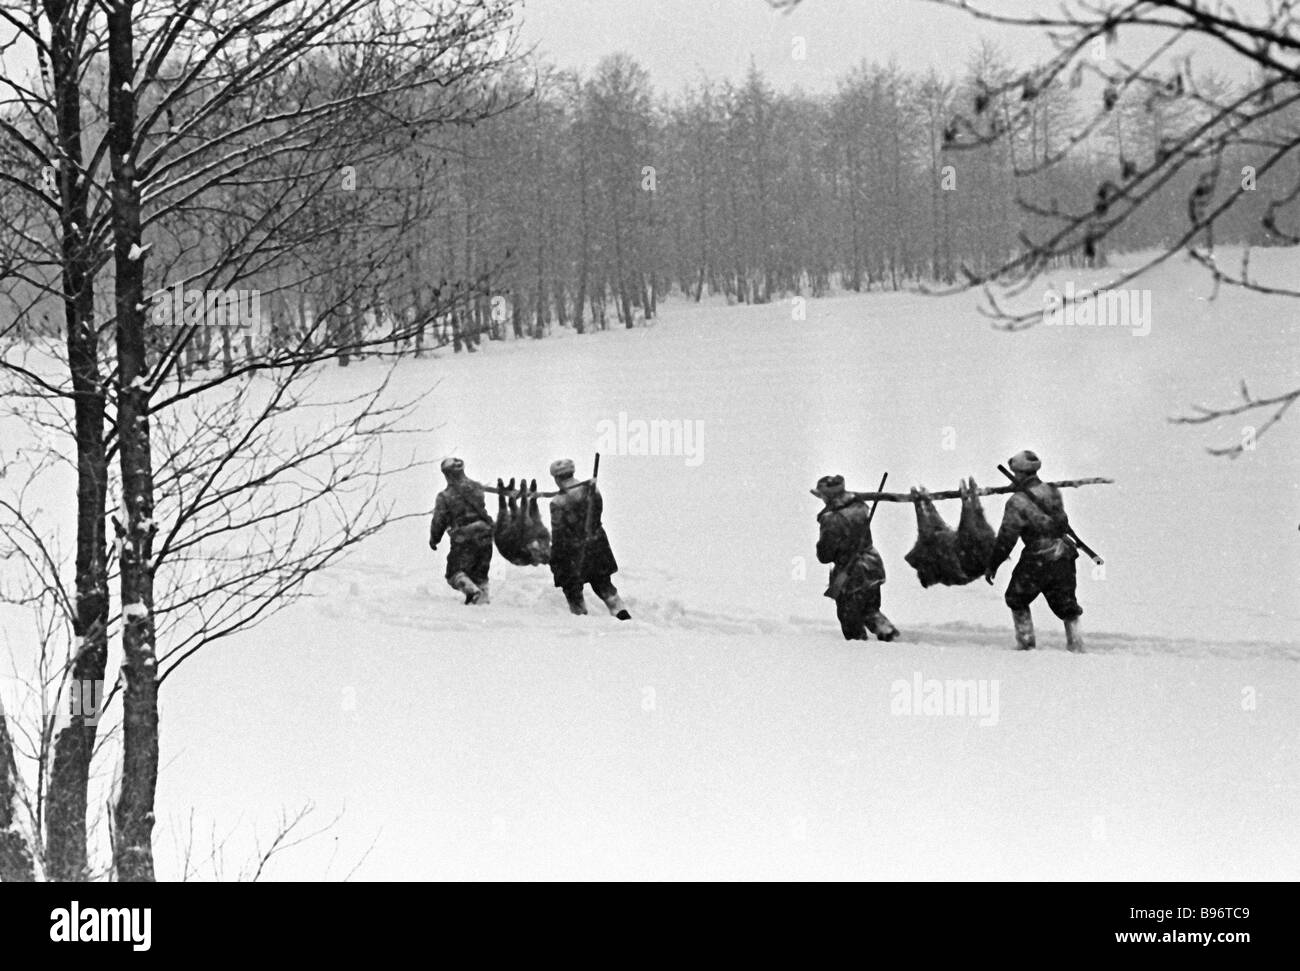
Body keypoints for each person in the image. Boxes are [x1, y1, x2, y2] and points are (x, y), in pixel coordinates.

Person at [984, 450, 1084, 652]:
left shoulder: (1017, 502)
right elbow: (1062, 522)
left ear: (1019, 474)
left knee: (1016, 597)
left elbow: (1007, 537)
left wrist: (993, 563)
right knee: (1067, 605)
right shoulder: (1053, 491)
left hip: (1038, 557)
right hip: (1063, 554)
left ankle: (1026, 644)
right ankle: (1076, 645)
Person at [815, 474, 899, 642]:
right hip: (872, 565)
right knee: (870, 610)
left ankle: (859, 654)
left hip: (851, 574)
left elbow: (825, 555)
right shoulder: (860, 506)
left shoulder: (831, 519)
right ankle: (888, 636)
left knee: (850, 619)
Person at [547, 458, 631, 620]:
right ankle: (619, 610)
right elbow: (596, 515)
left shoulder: (558, 502)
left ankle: (580, 617)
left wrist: (555, 558)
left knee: (572, 588)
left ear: (557, 478)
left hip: (573, 552)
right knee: (603, 583)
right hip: (597, 545)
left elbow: (559, 534)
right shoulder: (592, 490)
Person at [428, 457, 494, 605]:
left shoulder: (445, 496)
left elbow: (439, 520)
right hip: (485, 534)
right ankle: (482, 605)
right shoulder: (477, 488)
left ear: (446, 474)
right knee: (481, 574)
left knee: (453, 574)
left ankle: (472, 592)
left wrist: (434, 539)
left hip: (464, 538)